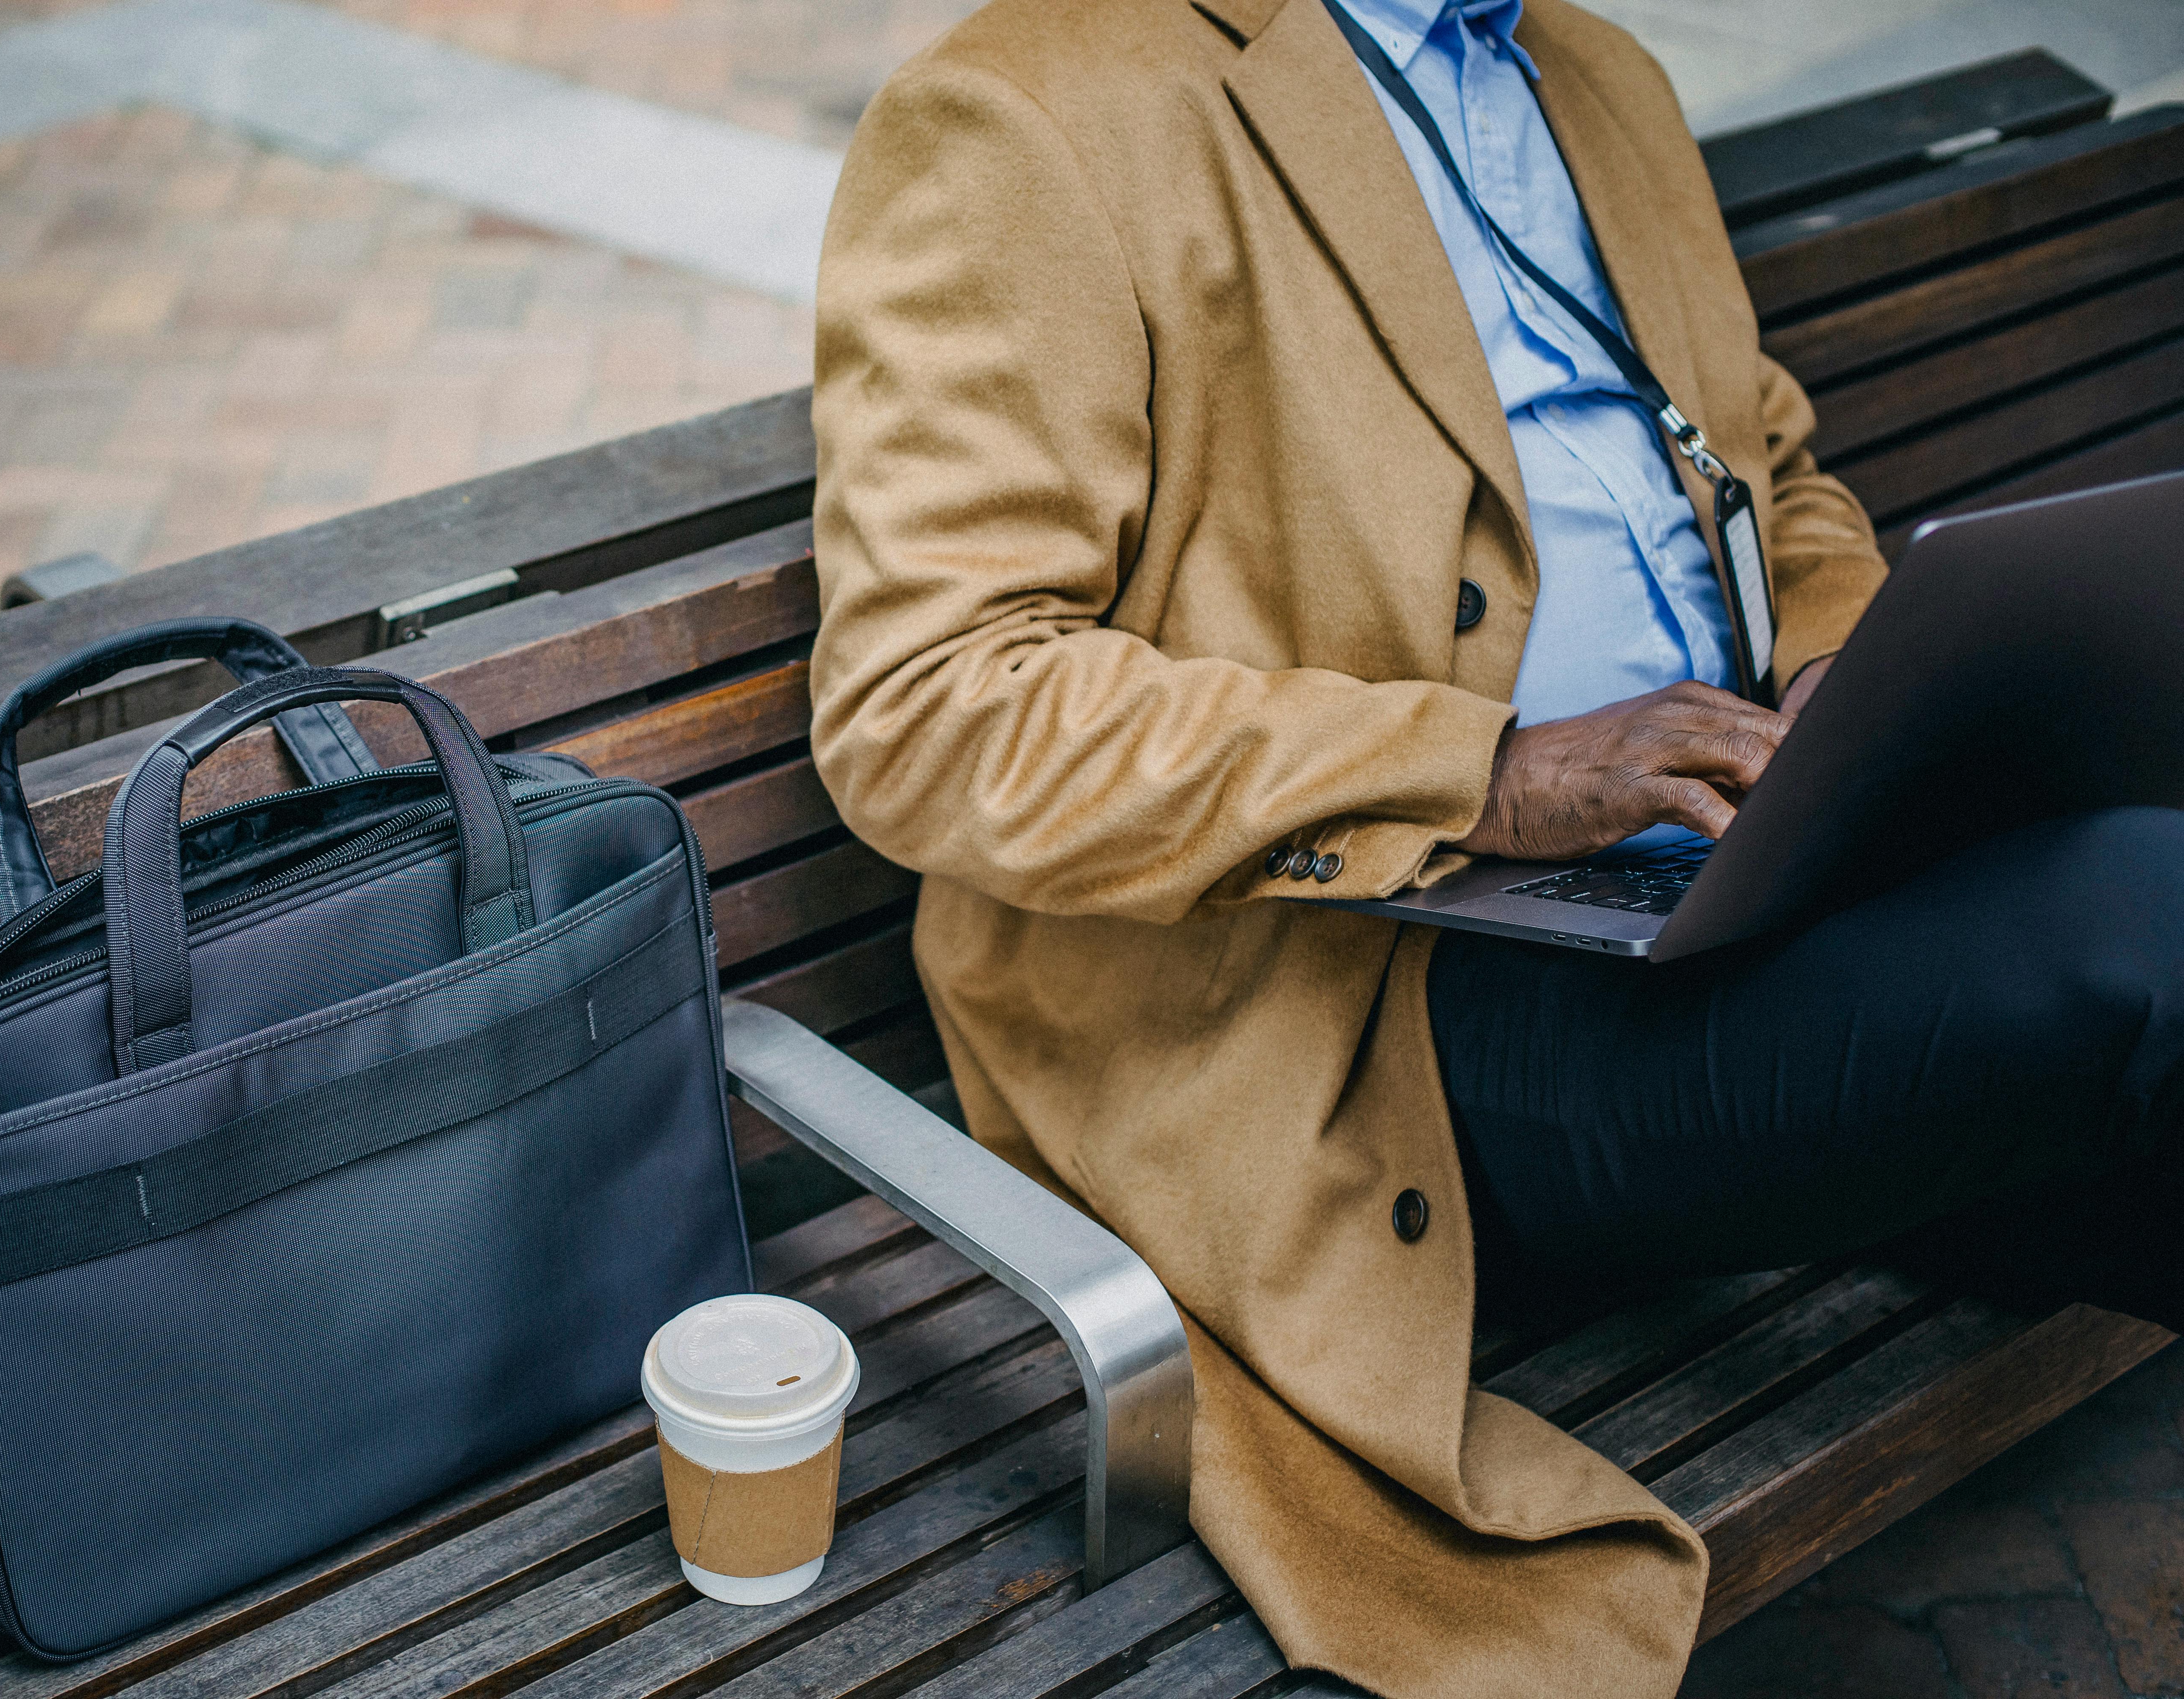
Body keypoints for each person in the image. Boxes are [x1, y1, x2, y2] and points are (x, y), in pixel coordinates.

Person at [805, 0, 2184, 1693]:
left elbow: (1778, 475)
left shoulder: (1597, 78)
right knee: (2145, 921)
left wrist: (1845, 665)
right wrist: (1488, 776)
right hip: (1378, 1000)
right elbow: (933, 706)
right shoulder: (1027, 109)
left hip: (1731, 858)